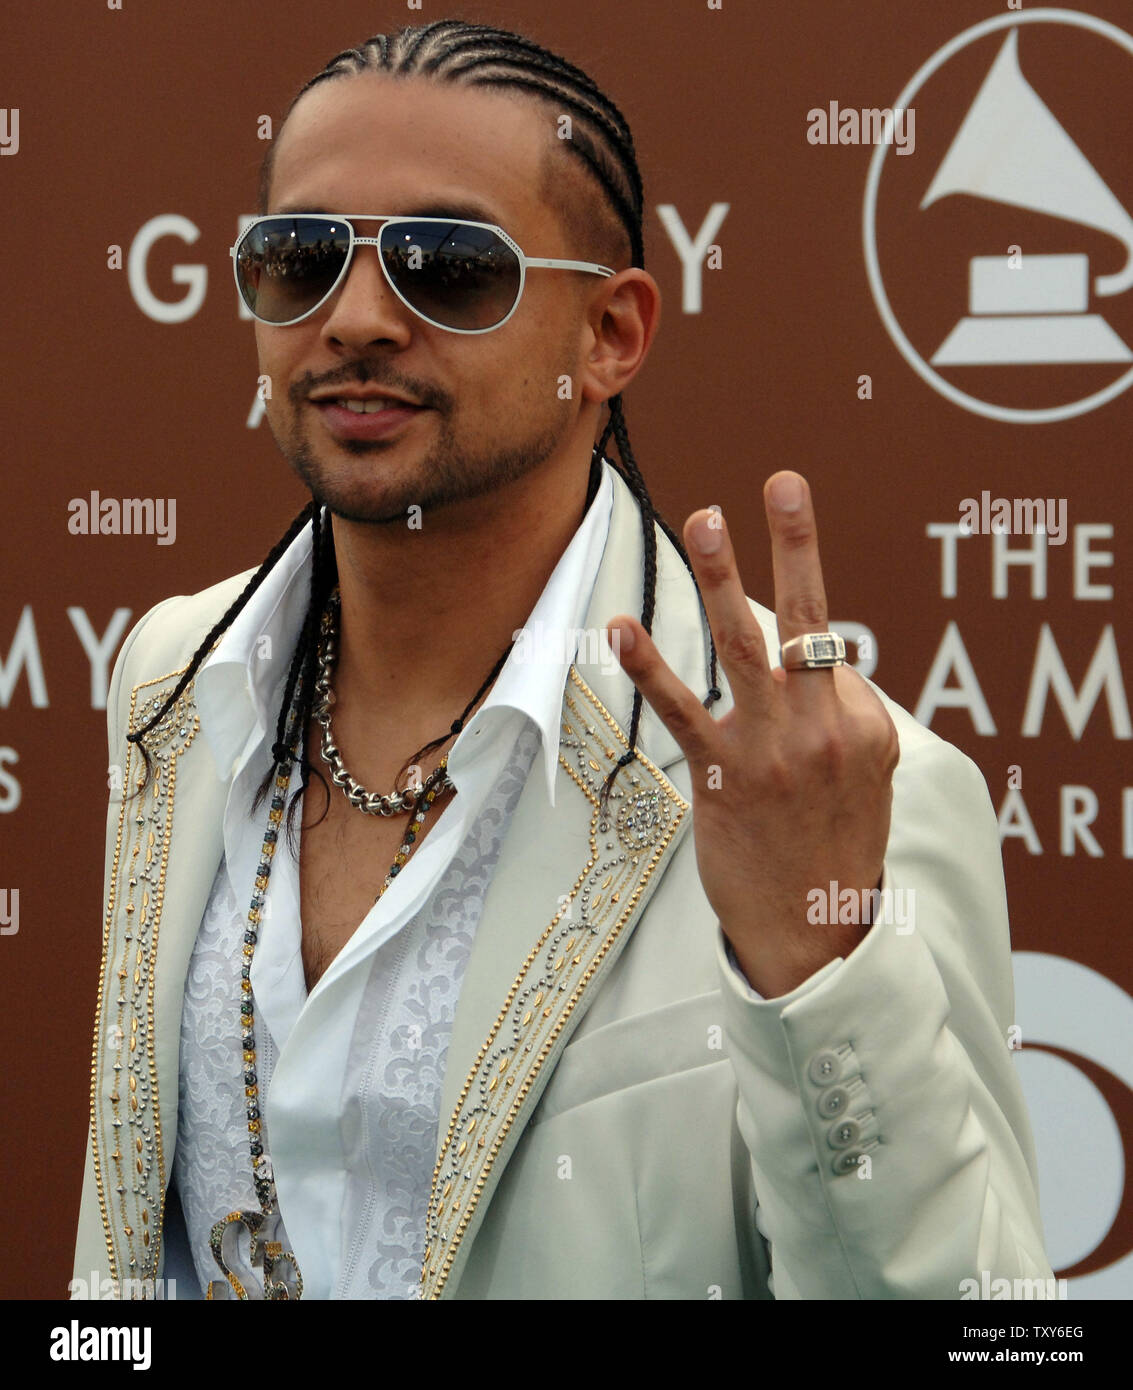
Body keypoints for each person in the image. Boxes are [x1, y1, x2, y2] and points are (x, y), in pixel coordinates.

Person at [71, 19, 1052, 1300]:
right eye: (299, 259)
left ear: (611, 334)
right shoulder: (174, 681)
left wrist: (818, 975)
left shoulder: (832, 792)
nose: (356, 317)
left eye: (448, 266)